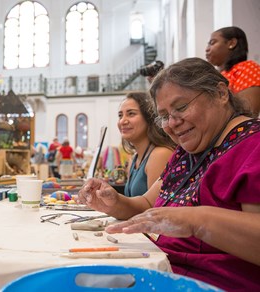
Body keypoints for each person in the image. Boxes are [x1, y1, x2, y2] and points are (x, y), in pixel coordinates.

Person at [78, 57, 260, 291]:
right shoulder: (187, 153)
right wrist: (112, 202)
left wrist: (196, 221)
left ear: (221, 94)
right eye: (164, 116)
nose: (172, 123)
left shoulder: (253, 146)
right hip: (166, 273)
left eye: (181, 107)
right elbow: (146, 204)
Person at [118, 92, 175, 197]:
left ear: (149, 117)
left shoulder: (160, 154)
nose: (123, 121)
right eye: (120, 115)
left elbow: (156, 208)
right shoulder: (133, 159)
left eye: (131, 114)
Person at [206, 26, 260, 117]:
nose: (207, 49)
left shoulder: (248, 68)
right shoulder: (218, 75)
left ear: (232, 43)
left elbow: (248, 112)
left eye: (212, 42)